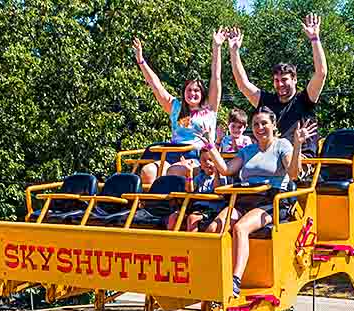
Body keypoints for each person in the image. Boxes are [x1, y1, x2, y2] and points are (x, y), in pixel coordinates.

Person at [199, 109, 315, 294]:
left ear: (273, 125)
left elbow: (293, 174)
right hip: (245, 198)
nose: (260, 128)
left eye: (264, 123)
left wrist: (298, 145)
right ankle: (209, 273)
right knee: (214, 227)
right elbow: (227, 170)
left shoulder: (282, 145)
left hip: (270, 201)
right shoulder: (248, 150)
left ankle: (235, 280)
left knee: (240, 228)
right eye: (255, 125)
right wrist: (211, 146)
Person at [131, 30, 226, 186]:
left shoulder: (210, 107)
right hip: (172, 153)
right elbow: (155, 85)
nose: (192, 93)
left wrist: (217, 47)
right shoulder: (175, 106)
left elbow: (216, 76)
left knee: (174, 171)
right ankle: (151, 201)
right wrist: (141, 61)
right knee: (148, 172)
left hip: (197, 156)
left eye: (196, 90)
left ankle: (177, 199)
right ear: (184, 92)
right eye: (189, 90)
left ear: (202, 93)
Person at [225, 15, 327, 157]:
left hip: (300, 159)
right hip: (270, 158)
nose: (280, 84)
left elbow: (321, 73)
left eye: (284, 80)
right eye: (276, 80)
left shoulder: (305, 99)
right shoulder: (267, 101)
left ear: (294, 80)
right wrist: (234, 51)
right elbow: (243, 84)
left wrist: (315, 39)